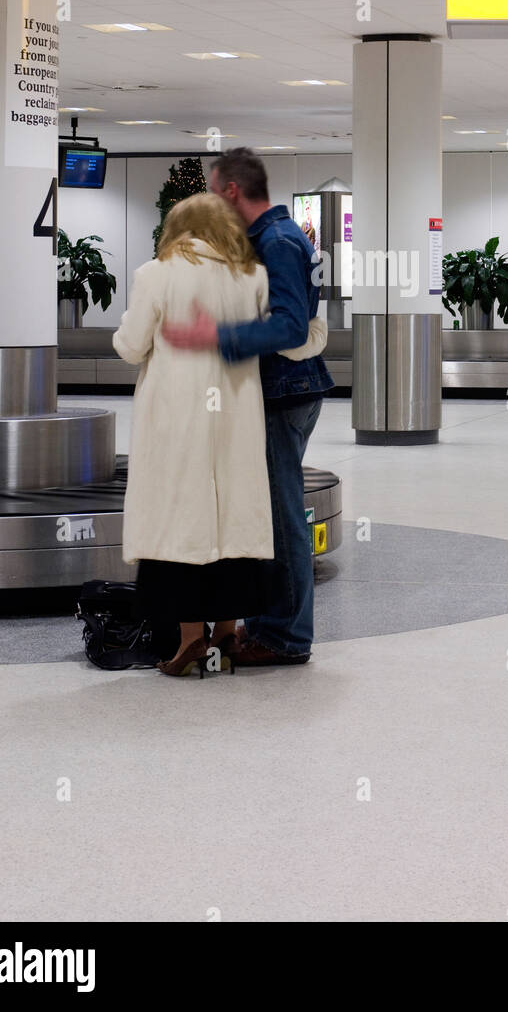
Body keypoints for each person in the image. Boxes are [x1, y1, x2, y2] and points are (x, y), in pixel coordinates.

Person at [112, 192, 323, 678]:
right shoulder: (249, 277)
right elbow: (293, 339)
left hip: (174, 420)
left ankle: (190, 642)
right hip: (236, 419)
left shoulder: (155, 275)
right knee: (232, 519)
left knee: (180, 520)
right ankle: (227, 635)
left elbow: (128, 346)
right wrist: (319, 335)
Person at [163, 148, 334, 667]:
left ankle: (285, 637)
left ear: (232, 191)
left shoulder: (277, 242)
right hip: (288, 390)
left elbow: (290, 326)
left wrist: (215, 335)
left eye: (215, 193)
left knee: (281, 519)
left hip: (284, 393)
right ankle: (270, 626)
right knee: (273, 514)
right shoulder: (277, 237)